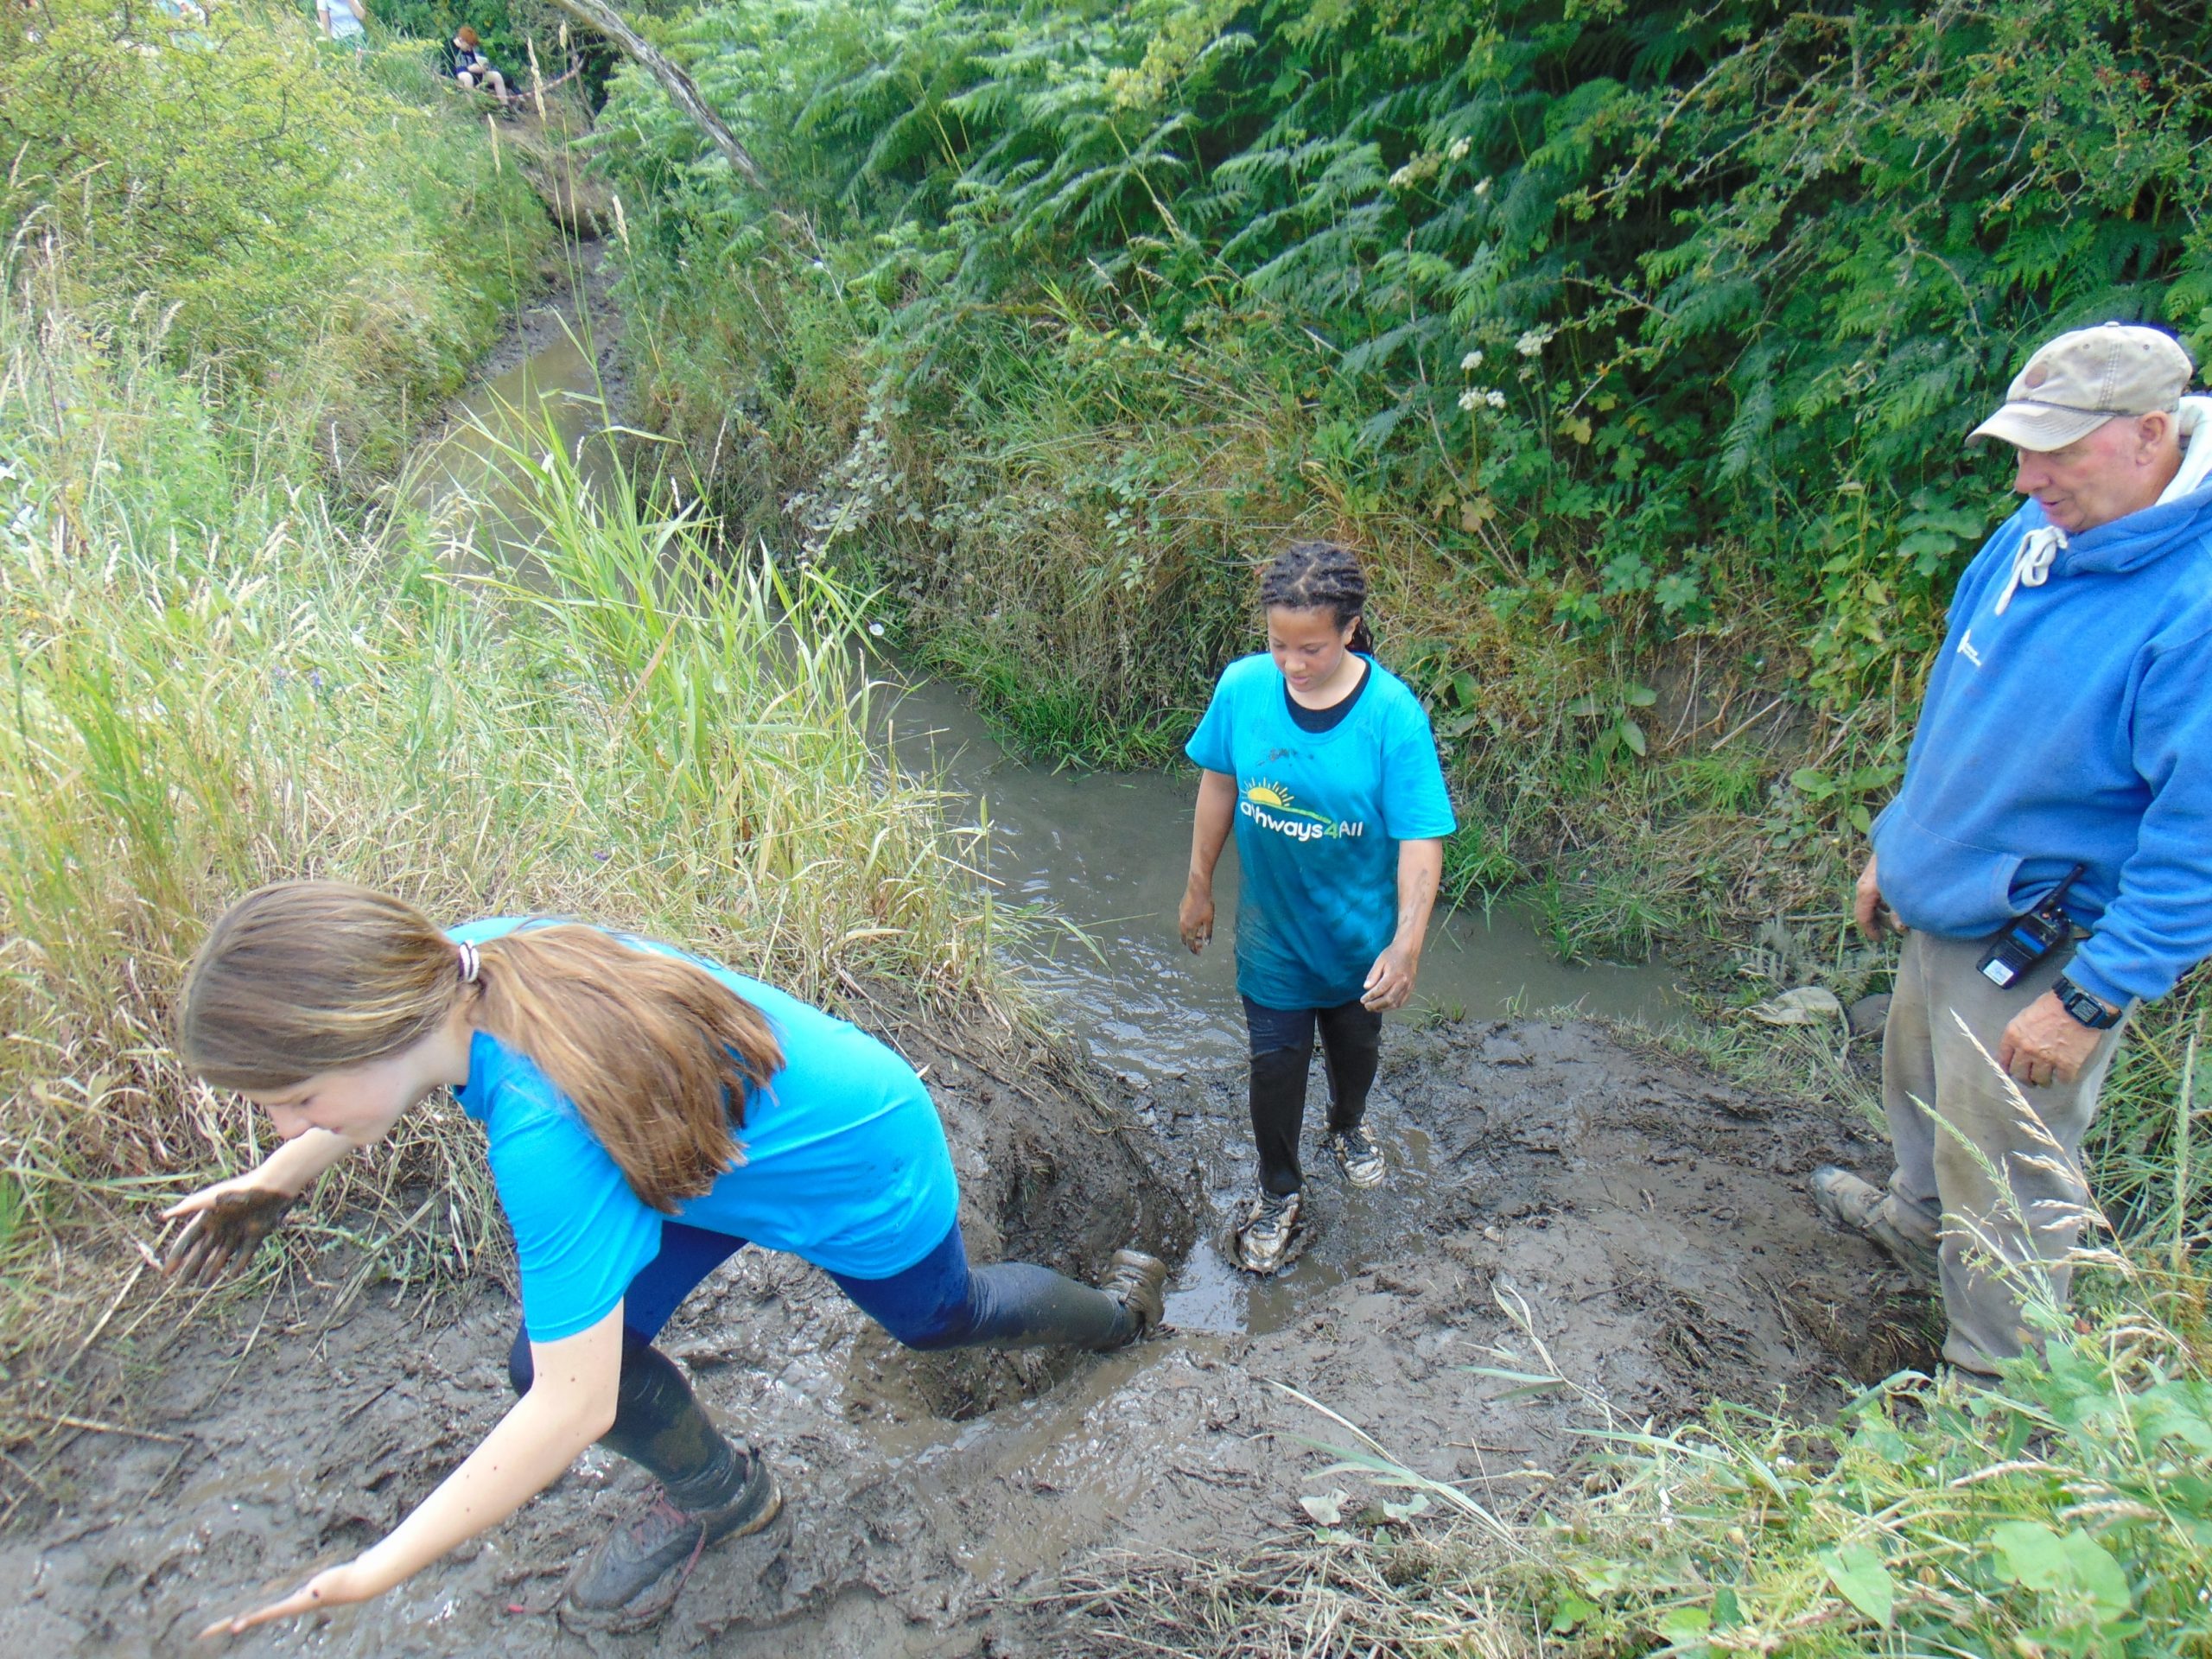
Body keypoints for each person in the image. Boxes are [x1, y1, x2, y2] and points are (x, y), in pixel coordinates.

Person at [163, 882, 1167, 1635]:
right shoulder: (456, 967)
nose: (292, 1125)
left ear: (369, 1027)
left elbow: (575, 1410)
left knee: (937, 1320)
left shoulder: (541, 1130)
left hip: (849, 1156)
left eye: (296, 1103)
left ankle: (1119, 1320)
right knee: (538, 1356)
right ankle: (725, 1497)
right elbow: (558, 1374)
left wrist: (377, 1568)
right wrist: (281, 1178)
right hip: (689, 1154)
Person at [1816, 322, 2212, 1375]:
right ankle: (1912, 1218)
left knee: (2008, 1163)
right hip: (1945, 885)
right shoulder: (2039, 528)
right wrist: (1896, 841)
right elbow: (1960, 689)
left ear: (2147, 434)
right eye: (2021, 449)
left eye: (2058, 450)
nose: (2029, 475)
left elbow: (2197, 837)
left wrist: (2092, 996)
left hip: (2043, 937)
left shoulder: (2195, 603)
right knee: (1915, 1077)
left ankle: (1994, 1383)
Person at [1179, 540, 1457, 1273]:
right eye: (1279, 645)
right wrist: (1199, 885)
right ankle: (1279, 1194)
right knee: (1274, 1068)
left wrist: (1407, 944)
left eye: (1312, 649)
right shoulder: (1242, 689)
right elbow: (1218, 786)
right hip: (1273, 939)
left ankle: (1348, 1126)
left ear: (1350, 630)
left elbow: (1421, 838)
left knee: (1355, 1054)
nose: (1293, 665)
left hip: (1358, 941)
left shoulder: (1392, 716)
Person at [445, 25, 512, 106]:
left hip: (473, 74)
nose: (470, 49)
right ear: (461, 40)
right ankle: (471, 107)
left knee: (497, 76)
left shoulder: (469, 48)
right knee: (467, 77)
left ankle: (505, 106)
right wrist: (467, 69)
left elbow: (478, 61)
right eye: (468, 46)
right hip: (457, 76)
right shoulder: (448, 47)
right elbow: (448, 69)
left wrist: (482, 68)